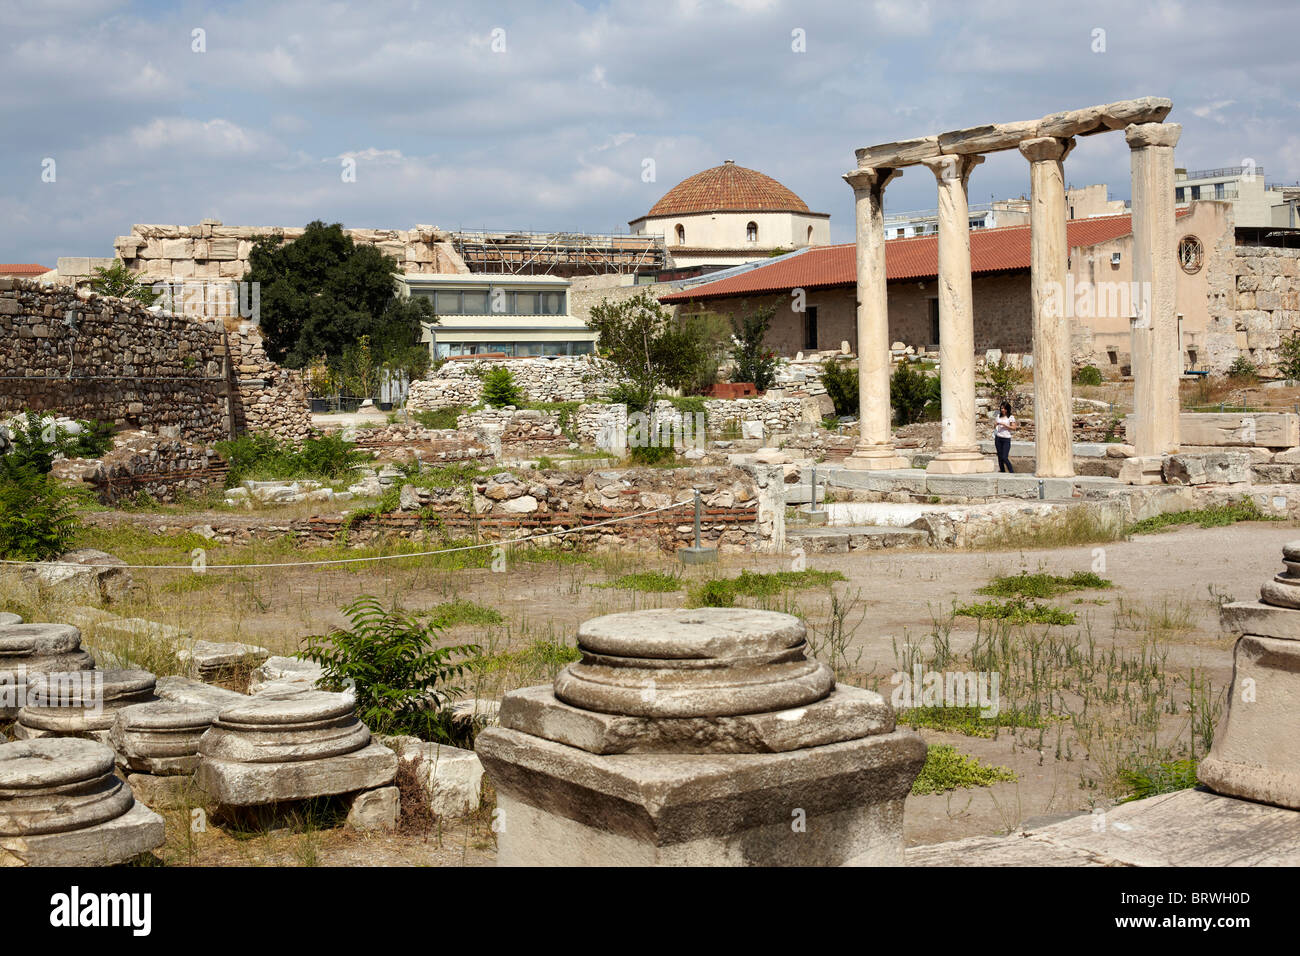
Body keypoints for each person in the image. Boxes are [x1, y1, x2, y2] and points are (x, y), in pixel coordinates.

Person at [994, 402, 1017, 473]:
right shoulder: (998, 416)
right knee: (1000, 456)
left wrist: (1005, 425)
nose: (1002, 410)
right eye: (1001, 408)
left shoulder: (1010, 417)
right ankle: (1002, 471)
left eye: (1004, 408)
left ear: (1007, 409)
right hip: (998, 437)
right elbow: (994, 427)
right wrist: (995, 425)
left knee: (1004, 457)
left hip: (1006, 438)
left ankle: (1011, 471)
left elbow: (1014, 428)